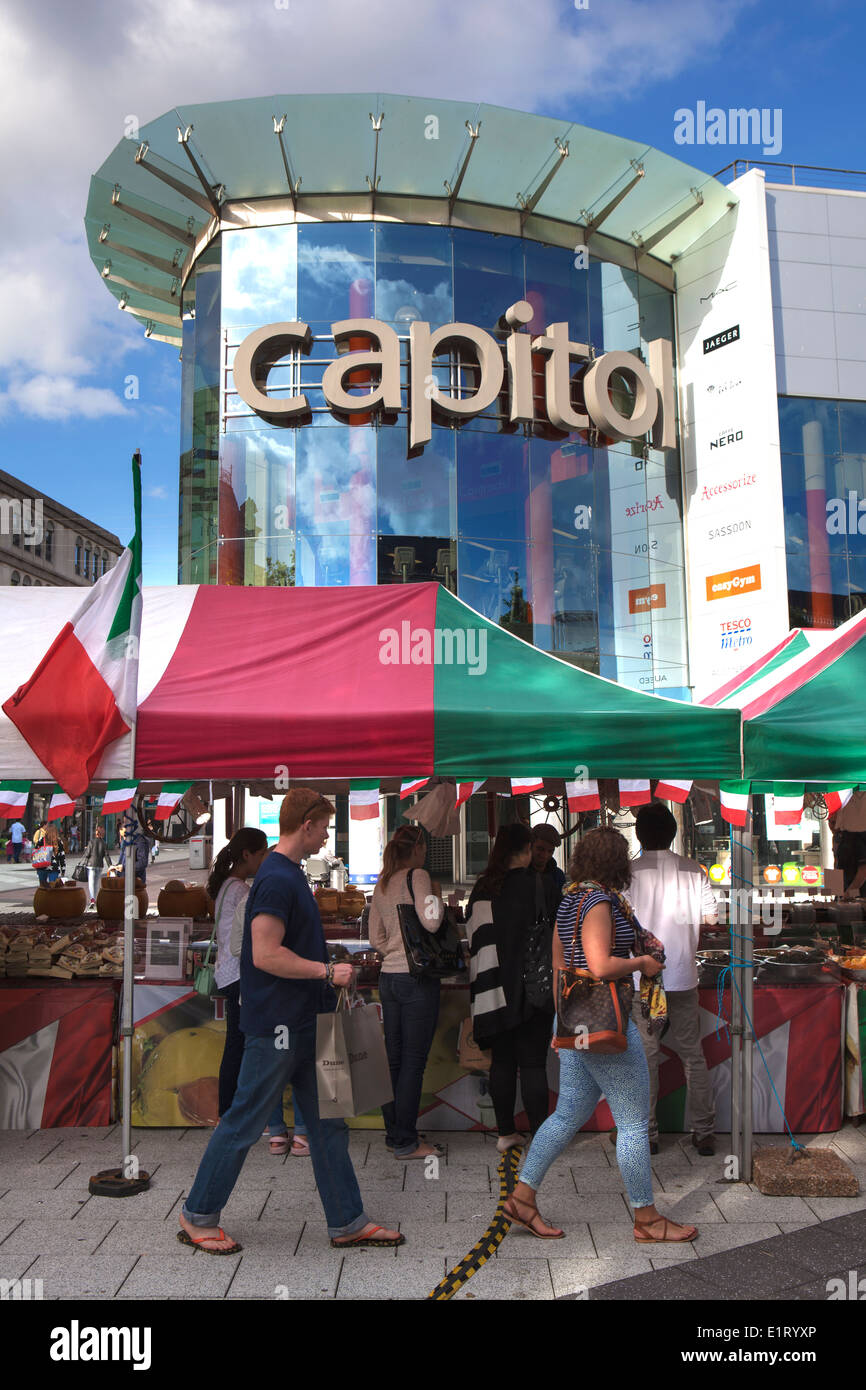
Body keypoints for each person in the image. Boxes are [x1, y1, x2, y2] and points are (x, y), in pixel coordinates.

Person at [178, 788, 402, 1254]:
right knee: (244, 1119)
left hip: (303, 1021)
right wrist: (325, 970)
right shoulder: (278, 878)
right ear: (306, 825)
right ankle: (198, 1215)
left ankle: (347, 1220)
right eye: (323, 827)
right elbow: (264, 953)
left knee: (326, 1125)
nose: (326, 835)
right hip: (279, 1024)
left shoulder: (285, 873)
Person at [503, 826, 698, 1245]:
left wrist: (566, 1016)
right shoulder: (599, 902)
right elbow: (600, 966)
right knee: (632, 1123)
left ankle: (522, 1197)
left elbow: (559, 964)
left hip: (576, 1022)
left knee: (569, 1114)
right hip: (604, 1023)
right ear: (616, 862)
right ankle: (647, 1219)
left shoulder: (570, 897)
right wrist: (642, 963)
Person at [625, 802, 719, 1157]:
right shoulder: (694, 870)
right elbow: (711, 919)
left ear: (638, 835)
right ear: (673, 833)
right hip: (683, 976)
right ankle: (704, 1132)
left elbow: (621, 923)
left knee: (646, 1058)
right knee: (692, 1055)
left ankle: (648, 1135)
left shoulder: (628, 873)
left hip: (643, 980)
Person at [208, 827, 308, 1156]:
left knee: (245, 1047)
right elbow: (247, 943)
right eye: (261, 851)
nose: (264, 857)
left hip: (228, 972)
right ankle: (238, 1116)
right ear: (249, 855)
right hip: (242, 976)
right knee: (253, 1049)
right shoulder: (242, 892)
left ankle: (250, 1120)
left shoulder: (228, 886)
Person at [466, 822, 558, 1152]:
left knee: (502, 1063)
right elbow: (555, 935)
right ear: (524, 850)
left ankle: (505, 1134)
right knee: (533, 1063)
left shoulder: (481, 889)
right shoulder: (540, 884)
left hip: (492, 989)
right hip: (533, 988)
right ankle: (540, 1137)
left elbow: (473, 939)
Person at [368, 824, 445, 1160]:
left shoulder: (383, 882)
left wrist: (394, 953)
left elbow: (376, 938)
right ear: (416, 848)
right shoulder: (418, 876)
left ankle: (395, 1133)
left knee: (394, 1061)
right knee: (413, 1062)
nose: (425, 852)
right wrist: (437, 898)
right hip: (417, 980)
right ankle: (406, 1142)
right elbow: (432, 922)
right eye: (424, 847)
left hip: (390, 979)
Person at [831, 791, 866, 899]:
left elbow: (863, 870)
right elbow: (837, 864)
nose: (831, 826)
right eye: (830, 822)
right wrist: (836, 894)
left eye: (832, 822)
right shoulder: (838, 837)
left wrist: (848, 893)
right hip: (843, 894)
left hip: (858, 897)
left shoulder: (857, 836)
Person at [530, 823, 567, 897]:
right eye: (540, 849)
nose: (545, 855)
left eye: (550, 851)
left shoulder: (558, 875)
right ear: (530, 846)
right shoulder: (520, 874)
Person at [81, 822, 113, 908]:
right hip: (99, 865)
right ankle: (96, 898)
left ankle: (92, 900)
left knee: (91, 883)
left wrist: (86, 849)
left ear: (96, 833)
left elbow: (87, 854)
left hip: (91, 864)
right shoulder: (104, 843)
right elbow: (106, 855)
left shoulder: (91, 842)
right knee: (96, 883)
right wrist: (110, 865)